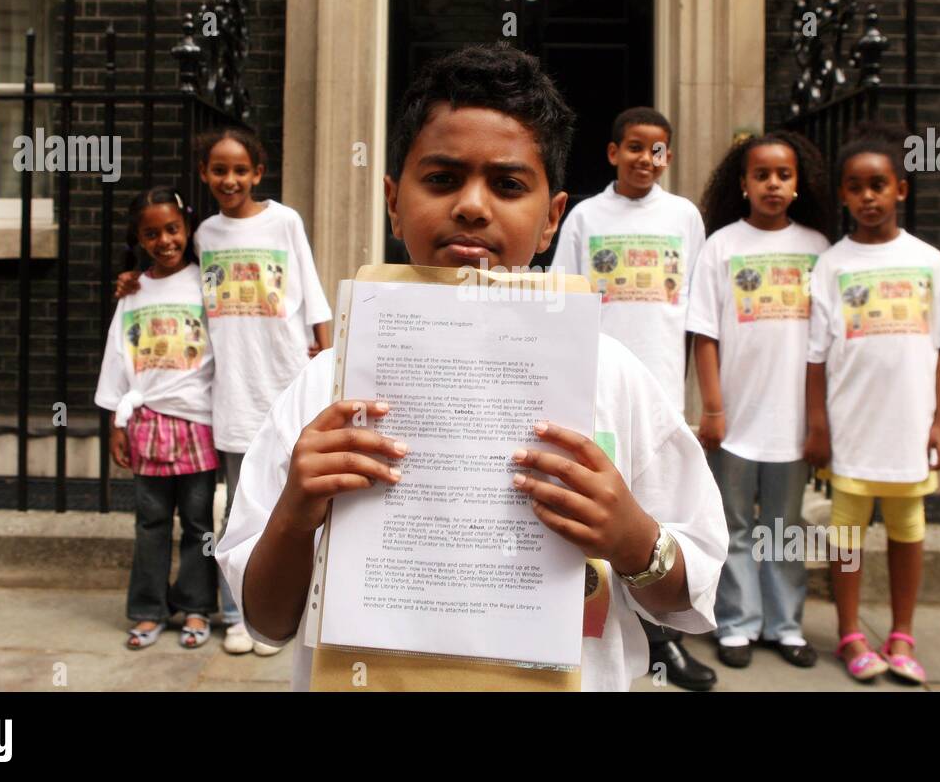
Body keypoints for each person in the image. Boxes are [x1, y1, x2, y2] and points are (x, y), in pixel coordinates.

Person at [215, 43, 730, 692]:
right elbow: (266, 619)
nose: (473, 206)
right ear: (393, 200)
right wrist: (295, 511)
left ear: (551, 220)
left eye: (509, 184)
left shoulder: (613, 378)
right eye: (442, 178)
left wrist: (634, 541)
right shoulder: (328, 388)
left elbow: (689, 593)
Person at [116, 129, 333, 656]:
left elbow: (314, 293)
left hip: (284, 379)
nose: (229, 179)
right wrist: (133, 282)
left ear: (258, 172)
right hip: (232, 392)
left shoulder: (285, 221)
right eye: (218, 169)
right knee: (238, 506)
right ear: (204, 175)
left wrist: (329, 359)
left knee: (296, 497)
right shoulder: (205, 234)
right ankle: (240, 612)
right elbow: (170, 272)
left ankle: (296, 607)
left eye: (240, 169)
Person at [549, 106, 714, 690]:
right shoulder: (587, 216)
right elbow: (564, 296)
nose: (648, 158)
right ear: (614, 152)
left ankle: (667, 648)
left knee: (657, 526)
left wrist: (699, 395)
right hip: (599, 388)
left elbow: (696, 311)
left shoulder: (685, 216)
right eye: (637, 147)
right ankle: (598, 640)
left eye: (660, 149)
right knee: (598, 523)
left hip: (663, 388)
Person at [803, 123, 940, 684]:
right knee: (847, 537)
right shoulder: (832, 264)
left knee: (907, 530)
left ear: (901, 189)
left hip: (908, 432)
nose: (867, 197)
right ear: (844, 195)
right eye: (855, 187)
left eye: (878, 185)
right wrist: (818, 424)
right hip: (852, 432)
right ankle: (851, 633)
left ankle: (902, 633)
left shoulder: (930, 262)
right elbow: (816, 357)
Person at [687, 131, 833, 671]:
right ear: (743, 183)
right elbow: (705, 334)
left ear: (798, 184)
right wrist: (714, 408)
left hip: (794, 421)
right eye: (762, 175)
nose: (773, 184)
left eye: (784, 175)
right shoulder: (721, 246)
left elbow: (829, 342)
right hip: (736, 418)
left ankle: (785, 624)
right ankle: (737, 623)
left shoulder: (818, 249)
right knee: (734, 525)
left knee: (783, 526)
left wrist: (822, 421)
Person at [96, 187, 219, 650]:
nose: (164, 240)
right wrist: (115, 423)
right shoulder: (134, 290)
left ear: (187, 228)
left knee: (198, 523)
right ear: (140, 238)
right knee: (149, 523)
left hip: (198, 421)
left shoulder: (206, 282)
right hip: (147, 423)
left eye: (172, 229)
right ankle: (148, 610)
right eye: (152, 233)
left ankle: (194, 607)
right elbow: (116, 354)